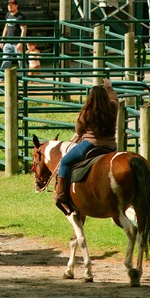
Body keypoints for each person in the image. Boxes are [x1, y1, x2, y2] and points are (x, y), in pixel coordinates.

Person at [53, 77, 118, 213]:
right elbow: (114, 99)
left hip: (90, 145)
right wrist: (109, 87)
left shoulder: (86, 113)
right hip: (111, 147)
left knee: (64, 162)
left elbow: (79, 130)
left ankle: (61, 194)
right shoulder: (113, 107)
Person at [0, 0, 26, 71]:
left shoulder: (20, 17)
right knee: (5, 60)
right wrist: (2, 39)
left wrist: (21, 42)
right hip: (8, 42)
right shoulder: (8, 15)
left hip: (17, 42)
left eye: (12, 5)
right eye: (8, 5)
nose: (10, 7)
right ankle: (2, 77)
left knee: (21, 61)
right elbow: (6, 27)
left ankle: (26, 77)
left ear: (16, 6)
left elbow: (23, 30)